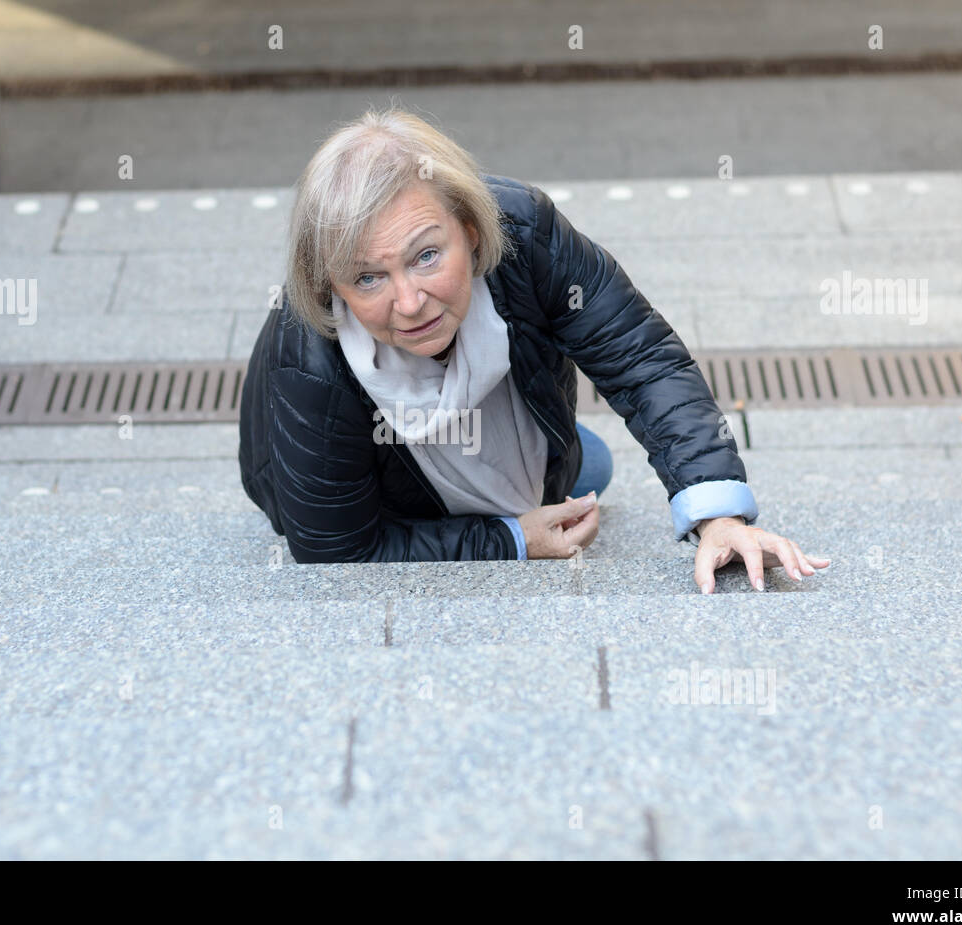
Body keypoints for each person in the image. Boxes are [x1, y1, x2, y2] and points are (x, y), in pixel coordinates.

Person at [239, 107, 829, 592]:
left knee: (585, 467)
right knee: (567, 477)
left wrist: (716, 513)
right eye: (368, 278)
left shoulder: (524, 232)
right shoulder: (309, 359)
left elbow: (641, 357)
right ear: (330, 285)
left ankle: (542, 470)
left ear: (470, 232)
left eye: (426, 256)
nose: (410, 302)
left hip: (514, 446)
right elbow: (337, 548)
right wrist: (512, 539)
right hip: (375, 485)